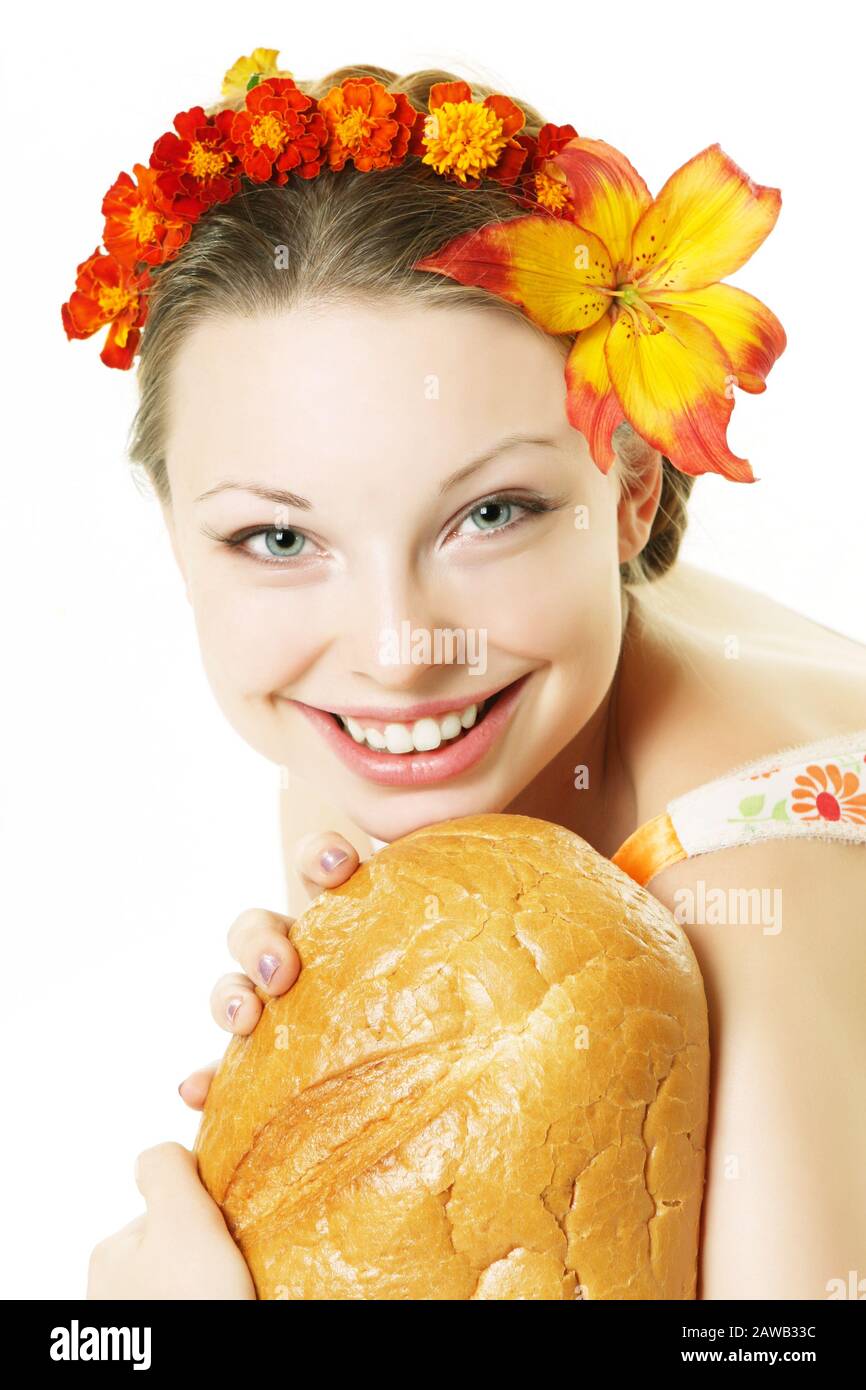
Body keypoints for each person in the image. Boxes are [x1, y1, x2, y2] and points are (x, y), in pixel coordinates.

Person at [74, 52, 866, 1300]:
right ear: (175, 536)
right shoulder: (397, 742)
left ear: (630, 492)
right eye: (279, 539)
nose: (396, 649)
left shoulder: (753, 866)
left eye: (490, 512)